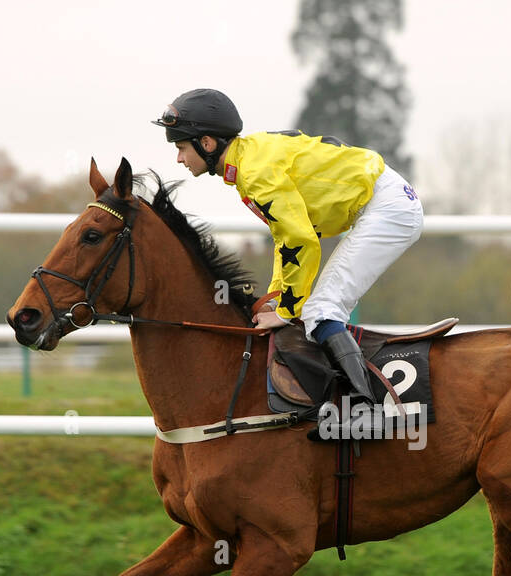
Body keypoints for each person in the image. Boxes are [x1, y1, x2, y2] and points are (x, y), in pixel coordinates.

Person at [155, 88, 424, 404]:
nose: (179, 158)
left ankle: (364, 406)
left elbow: (300, 241)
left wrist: (285, 311)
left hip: (387, 208)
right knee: (316, 309)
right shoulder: (249, 159)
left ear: (208, 143)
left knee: (322, 311)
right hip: (384, 201)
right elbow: (288, 240)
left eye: (182, 147)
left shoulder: (255, 173)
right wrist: (276, 298)